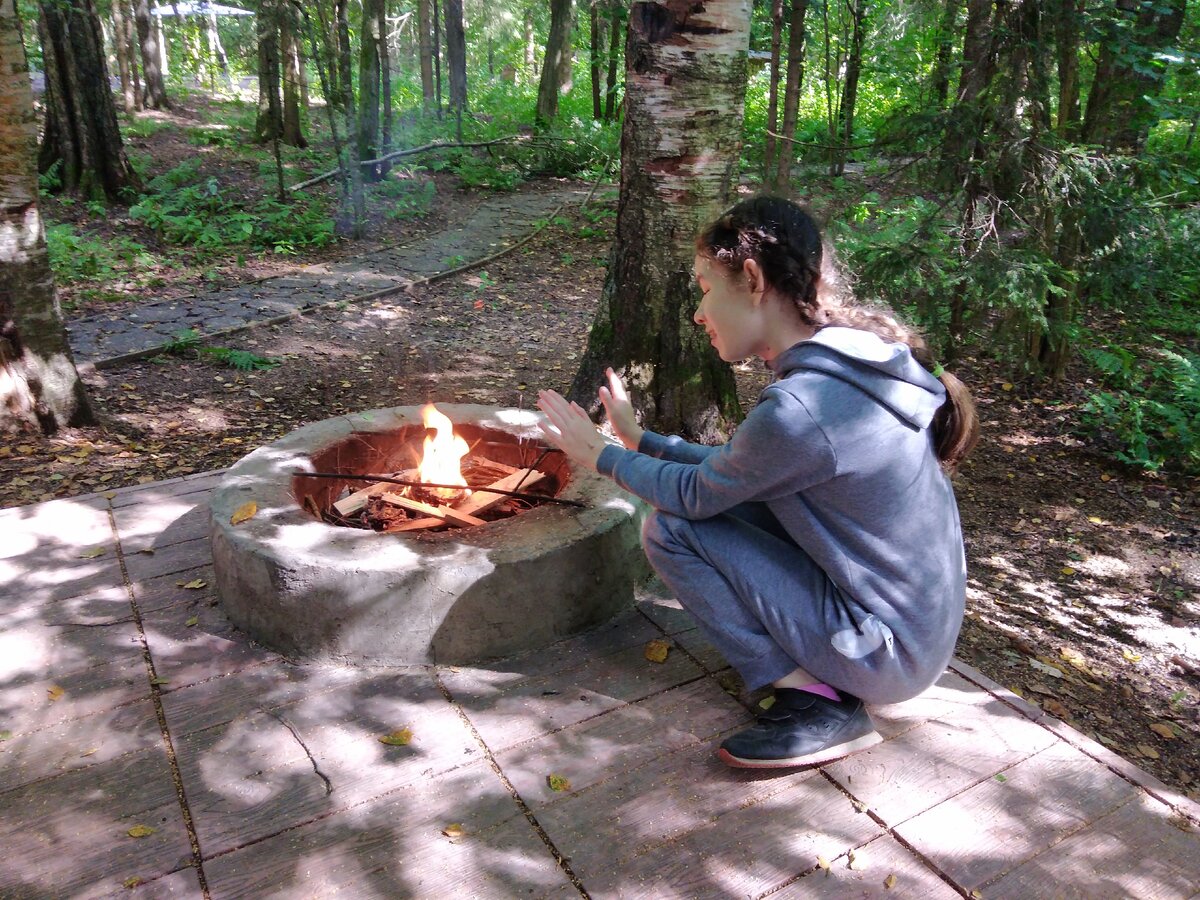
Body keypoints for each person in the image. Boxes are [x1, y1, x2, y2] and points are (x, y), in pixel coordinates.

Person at [537, 196, 979, 770]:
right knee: (707, 513)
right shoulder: (851, 371)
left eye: (703, 287)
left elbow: (697, 495)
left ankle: (814, 703)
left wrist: (601, 457)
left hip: (883, 651)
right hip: (911, 635)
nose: (698, 313)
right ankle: (817, 683)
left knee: (674, 528)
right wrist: (640, 441)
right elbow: (735, 469)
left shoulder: (804, 408)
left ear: (751, 280)